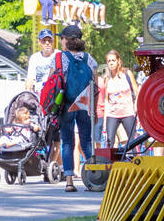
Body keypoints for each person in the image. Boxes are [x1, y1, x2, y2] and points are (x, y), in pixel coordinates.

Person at [55, 25, 98, 192]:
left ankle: (69, 181)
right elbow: (95, 86)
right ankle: (92, 178)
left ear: (66, 39)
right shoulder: (89, 59)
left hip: (66, 104)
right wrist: (93, 108)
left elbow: (53, 83)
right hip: (85, 105)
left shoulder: (60, 58)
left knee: (67, 142)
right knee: (86, 142)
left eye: (62, 38)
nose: (61, 41)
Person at [100, 50, 139, 151]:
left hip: (128, 113)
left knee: (131, 142)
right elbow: (107, 100)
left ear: (118, 61)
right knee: (109, 141)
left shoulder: (127, 73)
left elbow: (136, 91)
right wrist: (105, 119)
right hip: (113, 114)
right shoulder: (107, 79)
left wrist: (136, 106)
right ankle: (110, 164)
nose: (111, 63)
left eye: (113, 60)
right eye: (109, 61)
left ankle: (134, 162)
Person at [27, 30, 57, 94]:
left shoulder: (59, 55)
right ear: (39, 42)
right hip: (39, 93)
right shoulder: (34, 58)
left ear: (53, 41)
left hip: (55, 92)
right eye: (44, 41)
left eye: (49, 40)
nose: (47, 43)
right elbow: (30, 79)